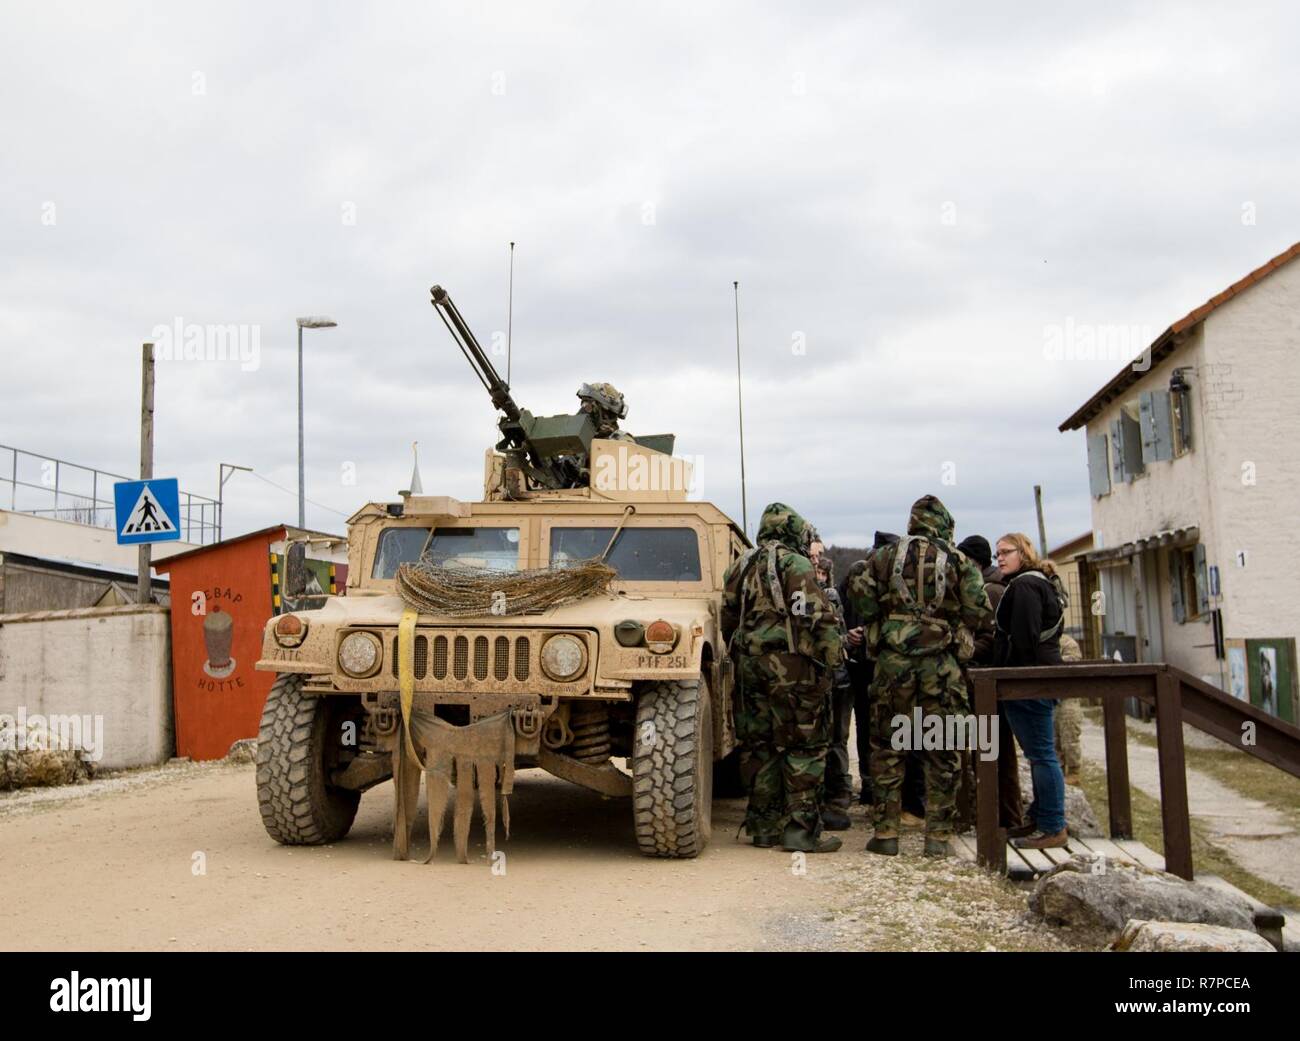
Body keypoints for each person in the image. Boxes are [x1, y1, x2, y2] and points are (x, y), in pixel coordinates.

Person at [848, 495, 991, 858]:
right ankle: (938, 839)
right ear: (943, 523)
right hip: (941, 668)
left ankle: (886, 834)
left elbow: (860, 598)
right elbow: (980, 612)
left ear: (912, 522)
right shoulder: (958, 560)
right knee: (943, 750)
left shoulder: (882, 557)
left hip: (892, 667)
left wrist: (885, 622)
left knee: (888, 746)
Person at [721, 503, 844, 853]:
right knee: (804, 744)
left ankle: (763, 826)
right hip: (794, 668)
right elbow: (814, 615)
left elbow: (727, 617)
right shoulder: (798, 564)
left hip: (749, 668)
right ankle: (801, 830)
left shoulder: (740, 565)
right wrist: (828, 662)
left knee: (760, 744)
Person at [993, 532, 1068, 849]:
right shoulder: (1036, 582)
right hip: (1037, 677)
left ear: (1022, 553)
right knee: (1040, 753)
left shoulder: (1025, 585)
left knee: (1041, 755)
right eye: (997, 554)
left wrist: (1010, 674)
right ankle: (1041, 819)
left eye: (1005, 552)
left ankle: (1052, 827)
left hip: (1029, 680)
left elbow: (1024, 638)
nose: (1000, 558)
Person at [953, 534, 1024, 832]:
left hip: (986, 682)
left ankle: (999, 820)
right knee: (993, 750)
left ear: (972, 561)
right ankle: (999, 818)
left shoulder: (990, 591)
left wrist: (962, 651)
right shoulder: (991, 587)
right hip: (986, 682)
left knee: (994, 752)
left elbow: (991, 639)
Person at [809, 542, 853, 831]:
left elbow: (837, 637)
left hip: (835, 680)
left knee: (835, 739)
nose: (816, 563)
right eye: (811, 557)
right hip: (815, 679)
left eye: (818, 558)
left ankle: (836, 798)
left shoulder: (830, 596)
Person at [1056, 632, 1084, 785]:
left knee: (1069, 736)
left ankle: (1074, 770)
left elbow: (1073, 662)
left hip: (1068, 698)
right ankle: (1058, 769)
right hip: (1051, 698)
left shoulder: (1068, 643)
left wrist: (1052, 660)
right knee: (1054, 738)